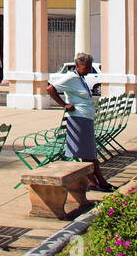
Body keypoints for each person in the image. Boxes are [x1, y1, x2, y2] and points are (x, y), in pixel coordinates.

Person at [47, 52, 113, 192]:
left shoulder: (81, 78)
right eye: (87, 67)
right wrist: (64, 104)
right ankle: (100, 181)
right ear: (78, 66)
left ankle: (94, 182)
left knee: (89, 153)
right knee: (89, 154)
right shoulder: (71, 77)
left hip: (86, 118)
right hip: (78, 118)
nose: (89, 70)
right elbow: (51, 89)